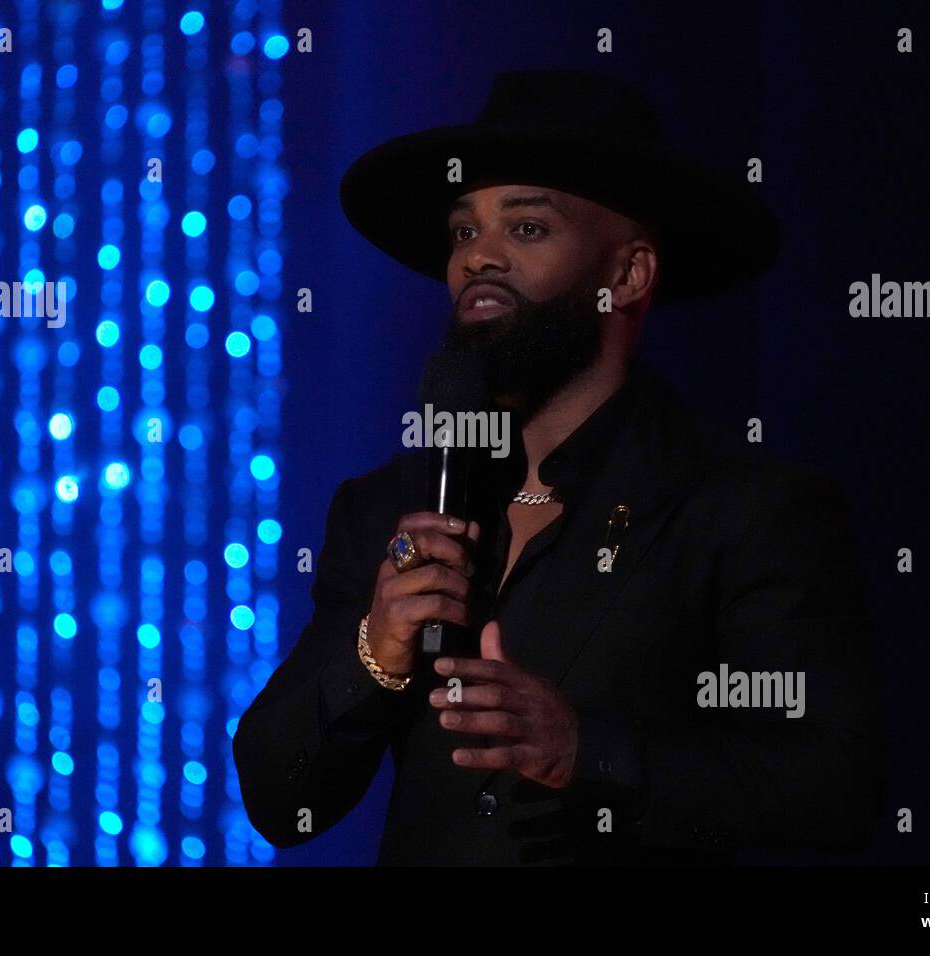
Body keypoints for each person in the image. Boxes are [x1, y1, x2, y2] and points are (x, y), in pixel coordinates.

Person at [233, 69, 882, 865]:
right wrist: (374, 652)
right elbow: (278, 802)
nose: (478, 259)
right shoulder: (388, 508)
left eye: (527, 228)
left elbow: (830, 796)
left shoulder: (746, 508)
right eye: (464, 232)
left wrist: (588, 752)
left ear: (628, 274)